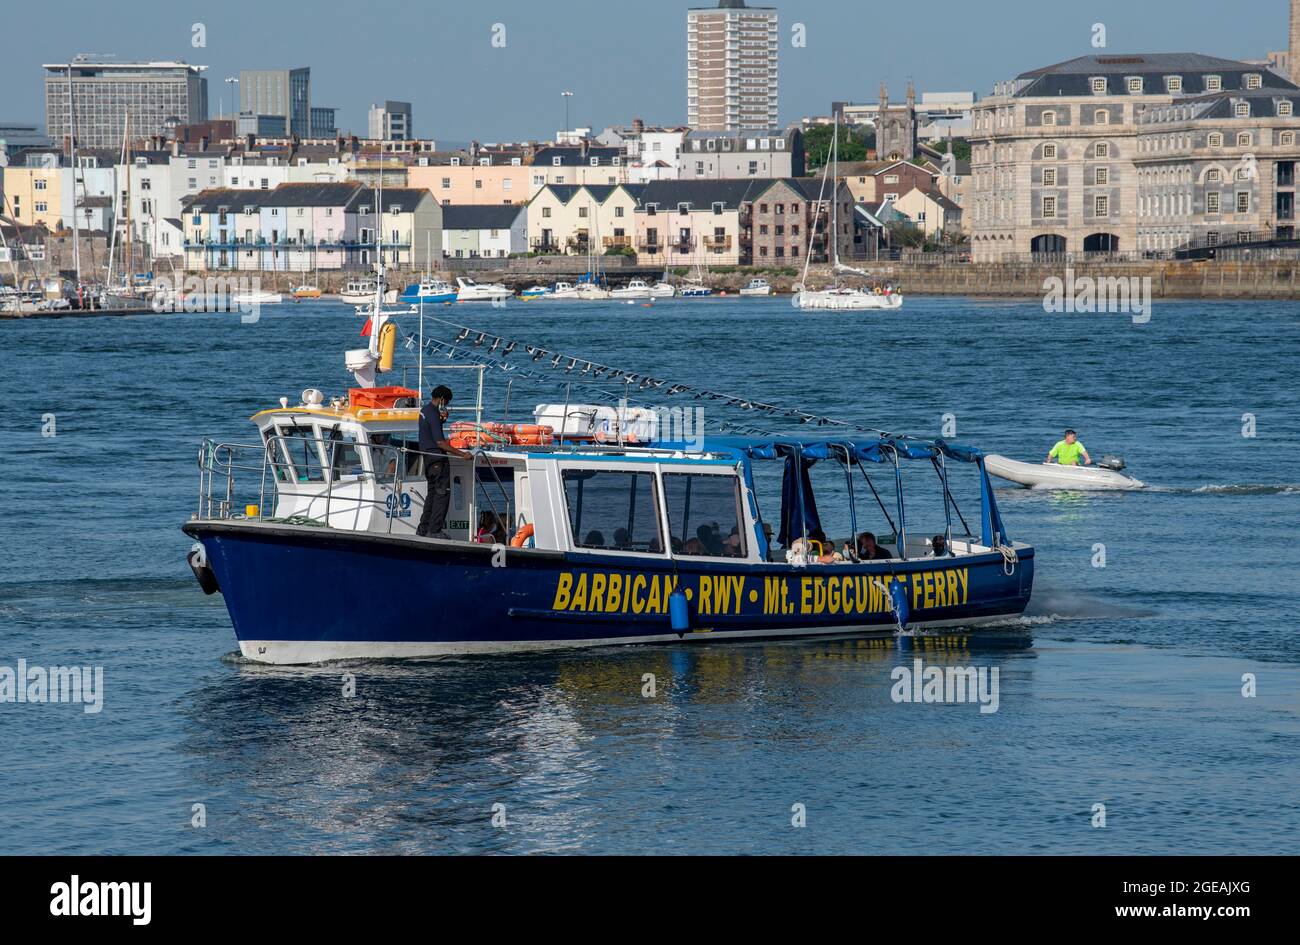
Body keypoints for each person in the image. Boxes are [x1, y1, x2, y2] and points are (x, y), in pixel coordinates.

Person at [415, 385, 472, 538]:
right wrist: (462, 454)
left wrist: (442, 421)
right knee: (442, 495)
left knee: (432, 495)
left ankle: (423, 528)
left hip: (427, 459)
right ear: (441, 399)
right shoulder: (433, 413)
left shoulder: (424, 411)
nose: (445, 405)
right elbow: (440, 442)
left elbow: (429, 432)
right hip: (438, 460)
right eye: (445, 402)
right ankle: (434, 531)